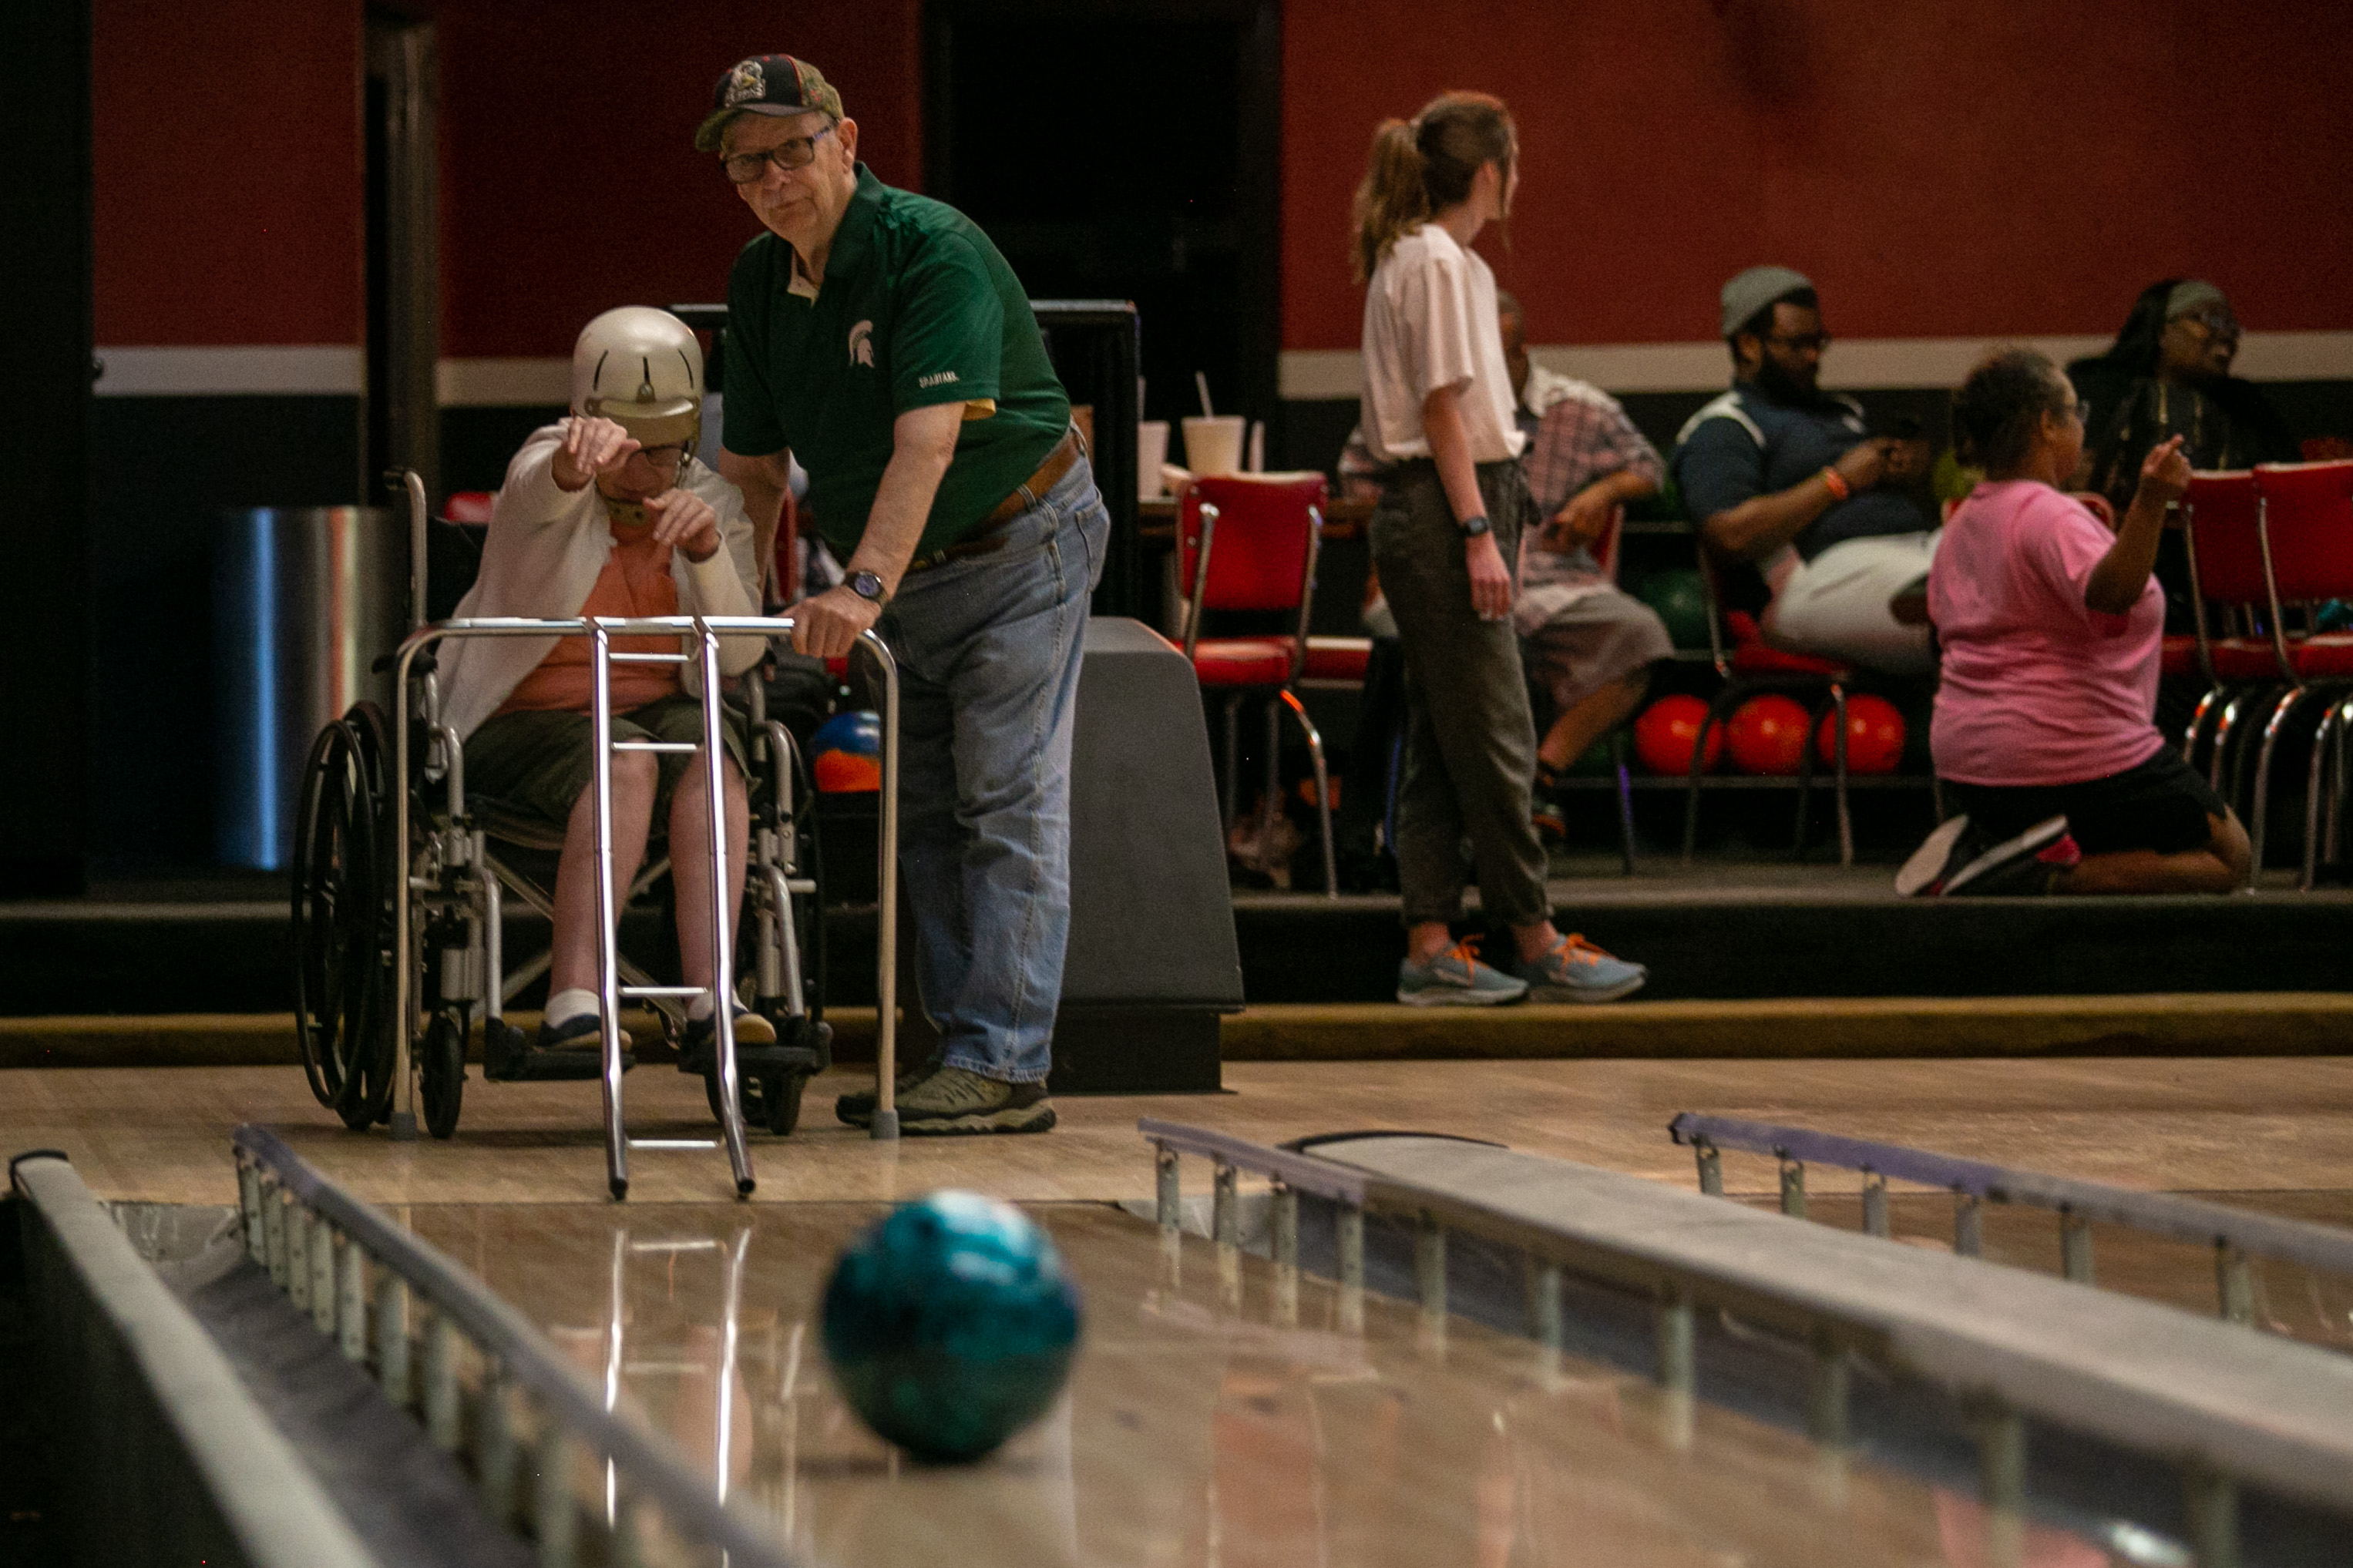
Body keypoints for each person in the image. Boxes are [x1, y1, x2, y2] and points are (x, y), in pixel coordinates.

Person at [698, 55, 1108, 1132]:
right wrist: (736, 614)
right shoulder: (756, 281)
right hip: (911, 579)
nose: (773, 177)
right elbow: (748, 474)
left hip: (1021, 543)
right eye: (749, 164)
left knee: (1005, 796)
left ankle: (1007, 1060)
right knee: (922, 812)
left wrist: (860, 584)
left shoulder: (930, 248)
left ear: (845, 136)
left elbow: (925, 443)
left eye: (792, 149)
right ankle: (960, 1050)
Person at [1352, 90, 1647, 1006]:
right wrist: (1479, 529)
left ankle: (1431, 941)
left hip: (1455, 501)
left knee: (1446, 737)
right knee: (1497, 734)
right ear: (1489, 171)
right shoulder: (1435, 260)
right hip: (1446, 506)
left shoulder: (1434, 259)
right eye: (1513, 165)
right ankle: (1534, 934)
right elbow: (1443, 407)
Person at [439, 307, 774, 1059]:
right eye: (627, 446)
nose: (644, 469)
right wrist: (575, 464)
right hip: (522, 722)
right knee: (625, 761)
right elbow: (537, 492)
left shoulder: (709, 501)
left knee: (715, 765)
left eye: (663, 453)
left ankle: (710, 996)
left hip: (657, 712)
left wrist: (707, 551)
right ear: (589, 421)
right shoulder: (548, 465)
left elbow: (742, 657)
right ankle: (573, 997)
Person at [1902, 348, 2250, 896]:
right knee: (2229, 857)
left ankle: (1994, 845)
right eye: (2074, 411)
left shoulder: (1965, 519)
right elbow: (2111, 595)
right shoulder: (2048, 513)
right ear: (2046, 424)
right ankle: (2037, 872)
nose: (2081, 426)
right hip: (2065, 753)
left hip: (1967, 762)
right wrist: (2152, 499)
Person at [1670, 267, 1938, 674]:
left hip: (1917, 547)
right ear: (1748, 345)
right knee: (1963, 606)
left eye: (1818, 342)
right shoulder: (1724, 427)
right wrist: (1837, 481)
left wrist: (1908, 473)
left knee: (2015, 573)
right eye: (1797, 344)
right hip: (1815, 578)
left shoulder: (1842, 410)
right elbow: (1731, 535)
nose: (1813, 356)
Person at [1509, 339, 1672, 841]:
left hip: (1553, 576)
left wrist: (1600, 492)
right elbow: (1364, 481)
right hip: (1462, 579)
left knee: (1640, 634)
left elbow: (1649, 468)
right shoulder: (1434, 402)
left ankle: (1540, 777)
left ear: (1520, 351)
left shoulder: (1579, 406)